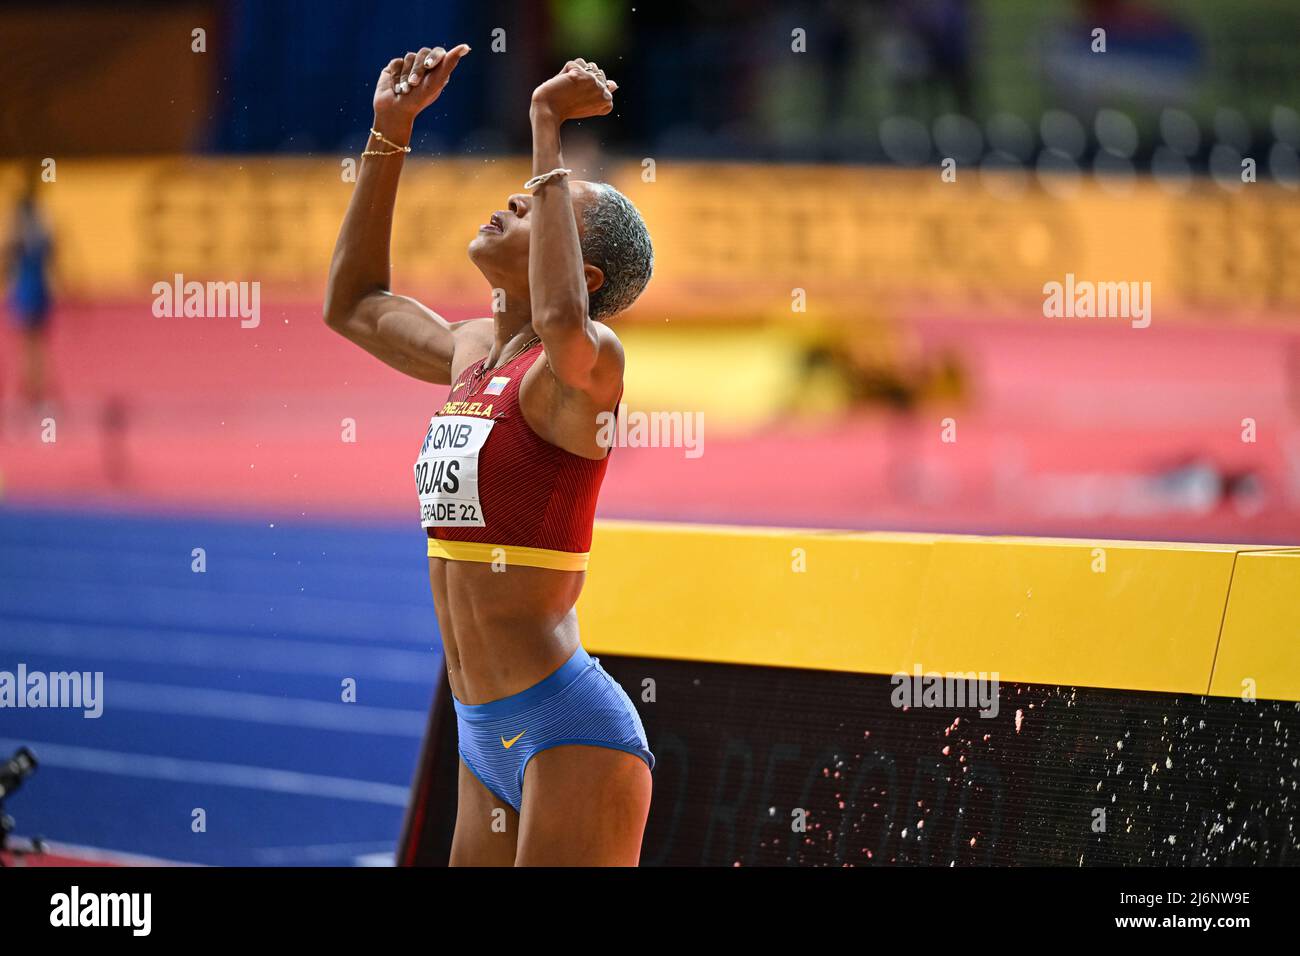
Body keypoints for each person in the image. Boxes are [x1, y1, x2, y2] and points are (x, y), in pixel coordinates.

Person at [324, 45, 655, 865]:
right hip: (482, 731)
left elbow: (561, 321)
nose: (517, 199)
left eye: (542, 204)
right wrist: (389, 131)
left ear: (577, 271)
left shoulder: (584, 368)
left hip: (568, 730)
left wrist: (547, 125)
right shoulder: (474, 352)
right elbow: (353, 304)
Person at [5, 175, 55, 413]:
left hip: (26, 288)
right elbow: (53, 254)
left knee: (29, 345)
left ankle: (32, 393)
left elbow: (6, 260)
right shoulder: (43, 226)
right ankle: (36, 392)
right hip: (39, 288)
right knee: (36, 344)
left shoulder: (18, 230)